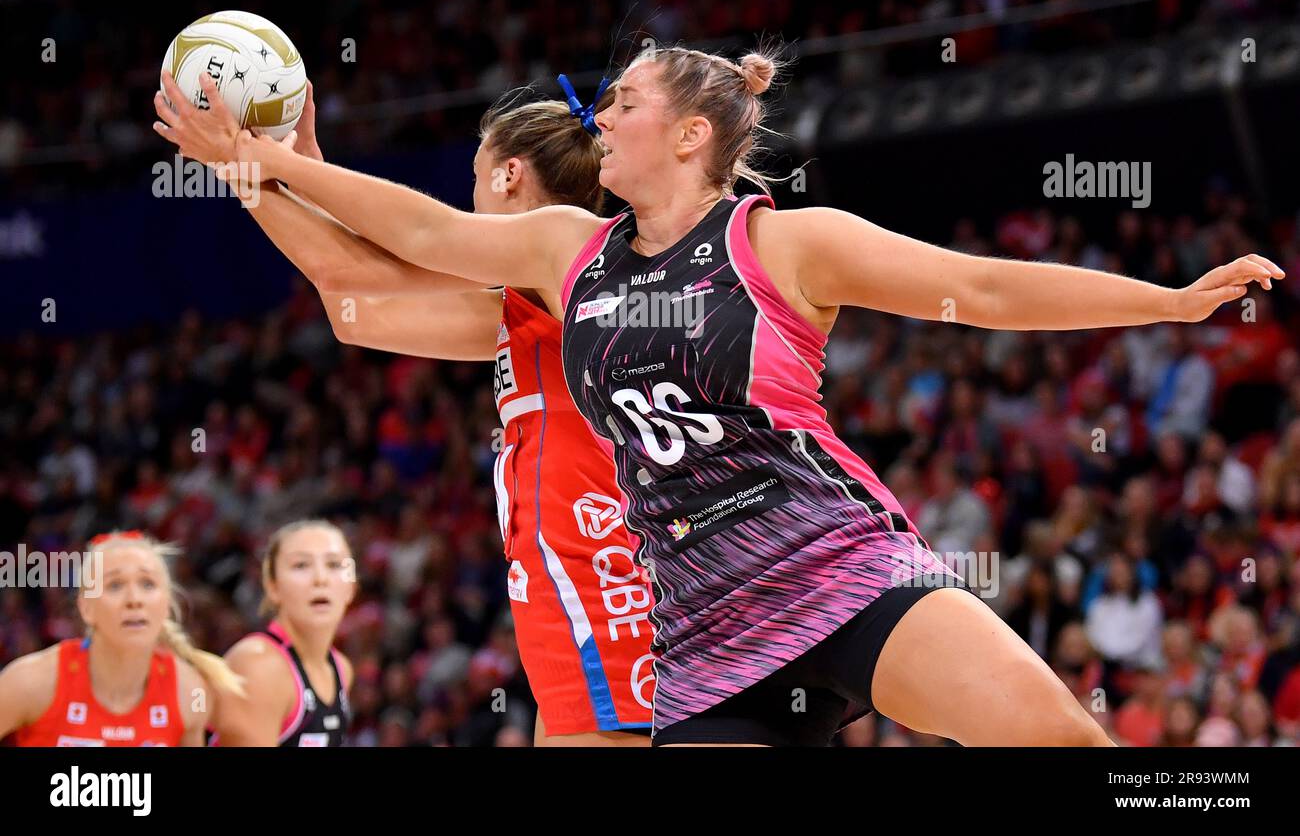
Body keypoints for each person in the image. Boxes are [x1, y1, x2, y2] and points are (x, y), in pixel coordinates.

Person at [159, 44, 1283, 746]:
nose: (598, 109)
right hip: (700, 621)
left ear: (689, 134)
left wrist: (1170, 302)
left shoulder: (787, 242)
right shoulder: (564, 254)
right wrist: (274, 160)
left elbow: (979, 286)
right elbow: (416, 235)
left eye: (624, 97)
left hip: (832, 564)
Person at [154, 74, 653, 745]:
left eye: (475, 178)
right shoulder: (526, 307)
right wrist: (253, 174)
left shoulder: (579, 259)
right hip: (566, 604)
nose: (468, 199)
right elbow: (352, 295)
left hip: (610, 595)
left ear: (508, 177)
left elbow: (424, 234)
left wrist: (276, 163)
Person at [0, 530, 242, 746]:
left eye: (147, 584)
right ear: (86, 608)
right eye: (115, 585)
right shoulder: (30, 682)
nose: (134, 599)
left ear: (167, 604)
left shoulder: (191, 693)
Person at [211, 520, 356, 746]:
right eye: (301, 565)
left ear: (351, 587)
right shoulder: (258, 666)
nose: (320, 578)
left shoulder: (341, 668)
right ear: (272, 586)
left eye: (334, 565)